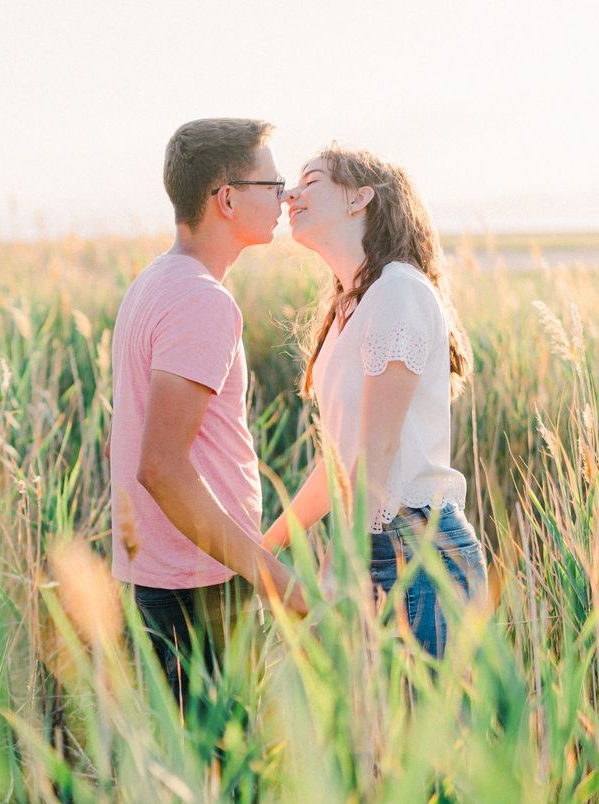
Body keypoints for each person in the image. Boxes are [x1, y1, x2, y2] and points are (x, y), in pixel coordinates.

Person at [108, 117, 307, 706]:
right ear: (226, 198)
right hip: (203, 588)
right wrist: (273, 578)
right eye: (272, 186)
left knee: (197, 775)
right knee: (223, 781)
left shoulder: (155, 282)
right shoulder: (202, 301)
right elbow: (161, 466)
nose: (284, 197)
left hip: (175, 577)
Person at [263, 145, 486, 656]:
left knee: (425, 733)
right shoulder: (352, 305)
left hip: (420, 554)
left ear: (360, 199)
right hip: (376, 544)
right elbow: (341, 459)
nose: (291, 193)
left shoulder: (399, 290)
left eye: (312, 181)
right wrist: (267, 546)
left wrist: (339, 561)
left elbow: (379, 449)